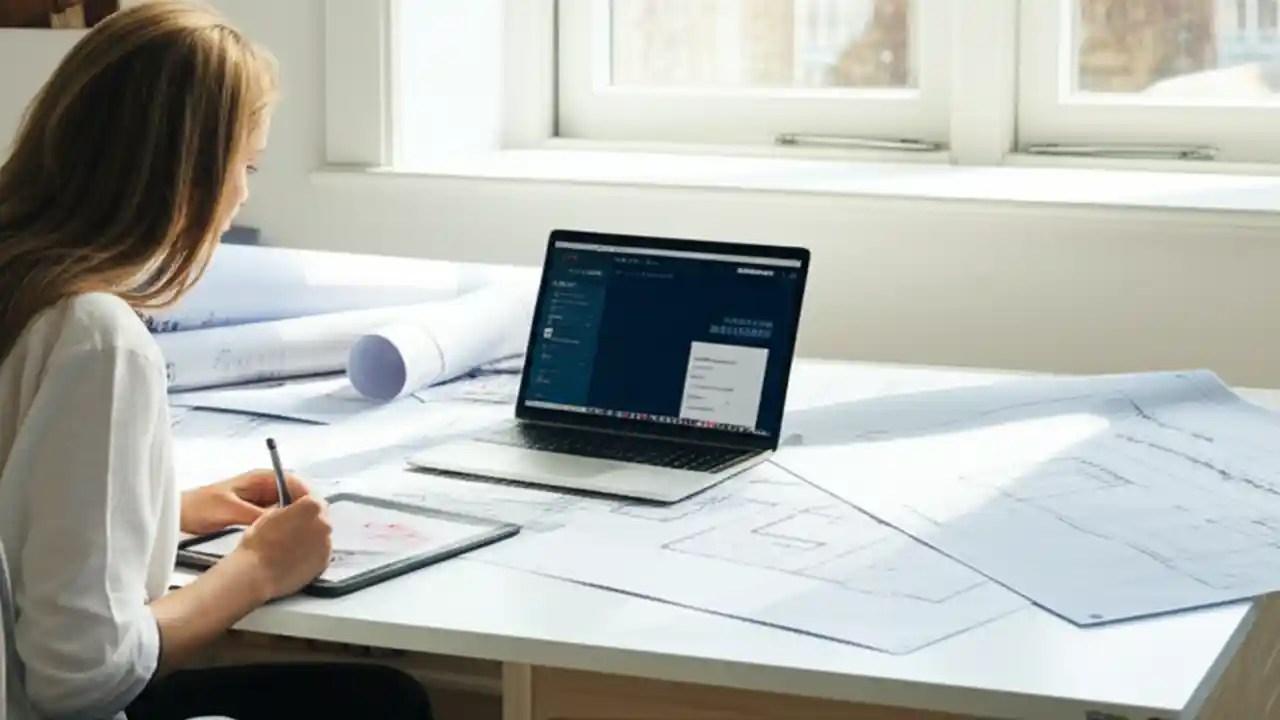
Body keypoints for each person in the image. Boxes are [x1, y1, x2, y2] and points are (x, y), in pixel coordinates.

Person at [0, 2, 433, 719]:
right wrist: (258, 570)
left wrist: (163, 511)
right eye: (248, 165)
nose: (243, 196)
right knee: (381, 703)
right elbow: (80, 675)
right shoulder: (95, 338)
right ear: (188, 177)